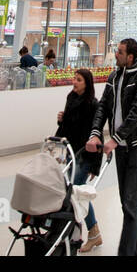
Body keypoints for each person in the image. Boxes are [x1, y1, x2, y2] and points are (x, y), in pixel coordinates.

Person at [86, 38, 137, 256]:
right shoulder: (115, 76)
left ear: (131, 57)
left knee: (130, 202)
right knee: (129, 202)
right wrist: (96, 133)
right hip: (121, 148)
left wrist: (114, 138)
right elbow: (103, 106)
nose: (116, 54)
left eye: (120, 52)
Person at [56, 68, 102, 252]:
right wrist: (61, 120)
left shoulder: (93, 105)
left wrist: (95, 165)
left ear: (87, 83)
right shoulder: (71, 98)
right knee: (74, 193)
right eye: (74, 79)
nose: (74, 82)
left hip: (85, 156)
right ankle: (84, 233)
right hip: (70, 153)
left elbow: (96, 134)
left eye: (79, 80)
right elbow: (67, 126)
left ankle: (93, 233)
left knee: (76, 194)